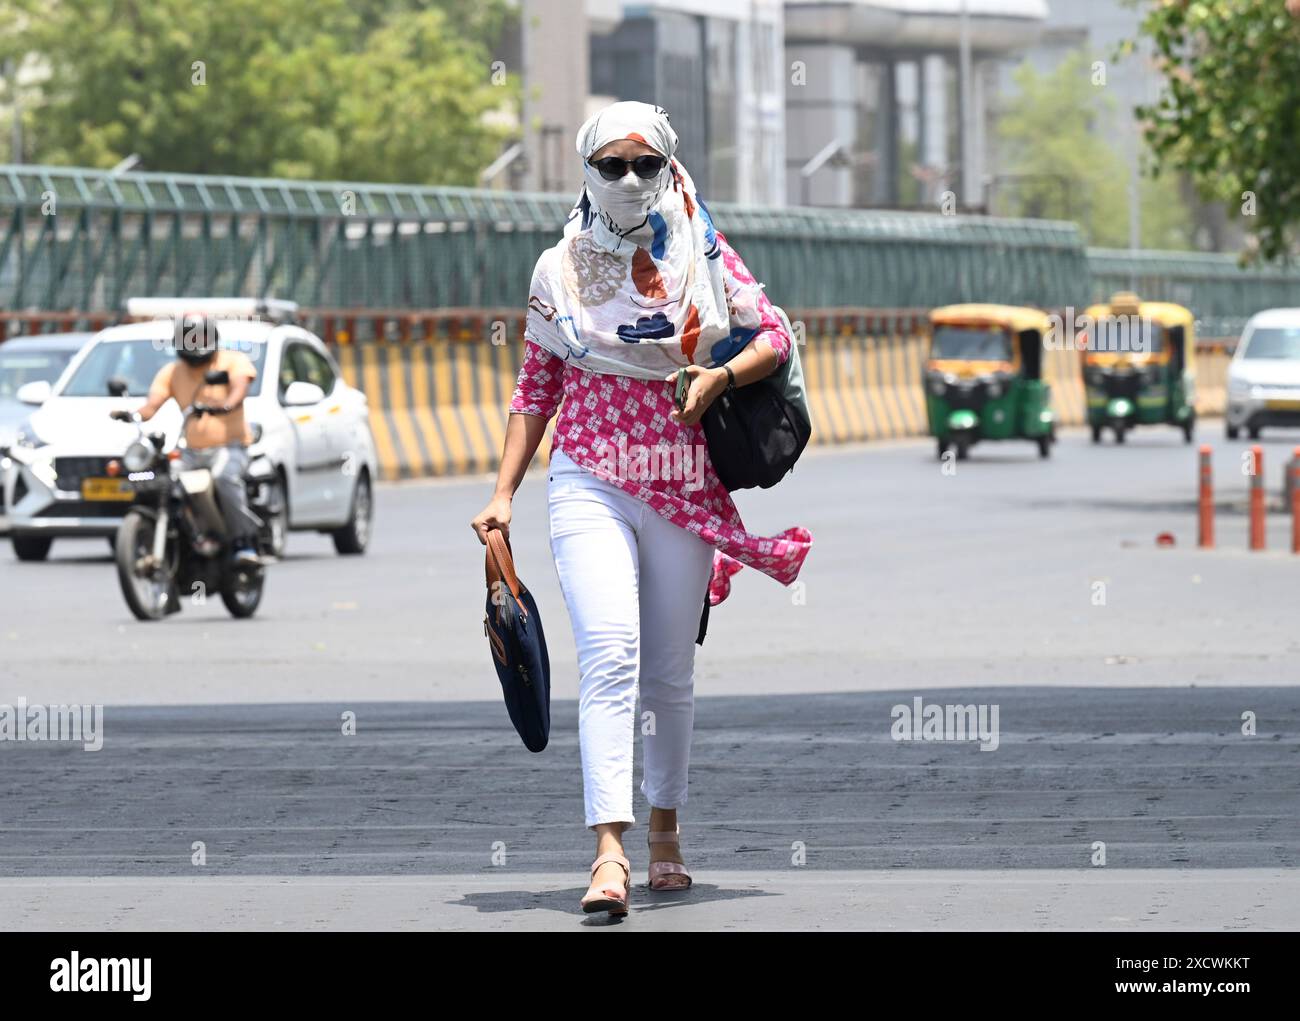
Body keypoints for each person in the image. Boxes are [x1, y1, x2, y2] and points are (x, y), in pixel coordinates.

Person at [471, 101, 812, 917]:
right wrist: (502, 493)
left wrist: (720, 377)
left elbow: (776, 336)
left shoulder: (703, 249)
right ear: (586, 170)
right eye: (612, 166)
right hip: (587, 478)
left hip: (681, 482)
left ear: (668, 167)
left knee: (668, 670)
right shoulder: (557, 270)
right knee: (611, 653)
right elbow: (536, 387)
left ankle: (666, 833)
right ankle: (609, 851)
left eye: (645, 166)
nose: (629, 181)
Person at [112, 314, 261, 564]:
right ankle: (190, 536)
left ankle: (242, 542)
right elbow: (151, 407)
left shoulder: (232, 361)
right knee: (166, 481)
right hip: (191, 451)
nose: (194, 342)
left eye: (200, 336)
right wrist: (132, 414)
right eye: (188, 337)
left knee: (224, 479)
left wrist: (226, 405)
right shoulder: (172, 372)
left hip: (230, 447)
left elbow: (239, 388)